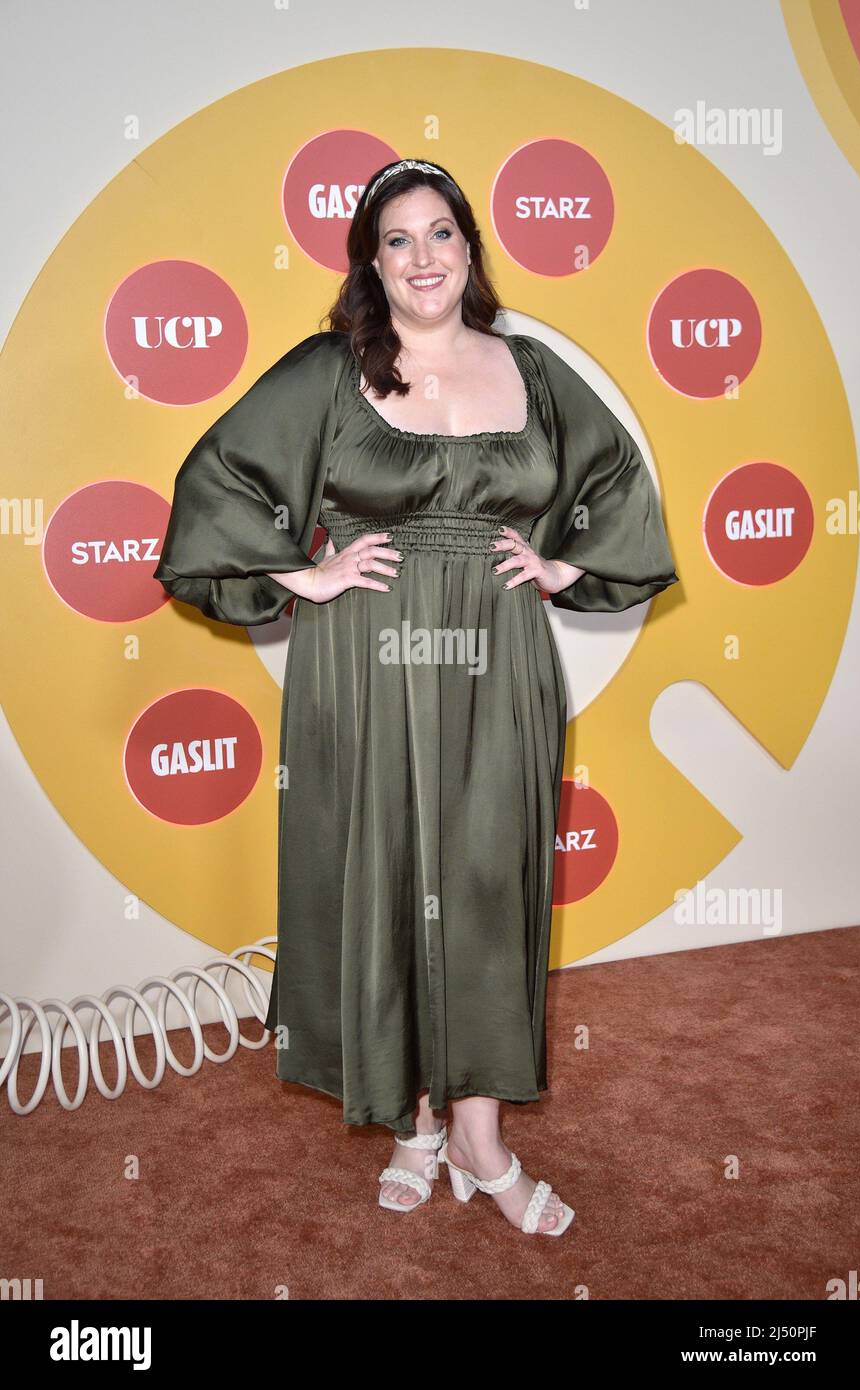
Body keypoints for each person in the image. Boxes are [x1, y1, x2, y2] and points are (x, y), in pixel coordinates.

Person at [154, 157, 678, 1236]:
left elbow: (617, 479)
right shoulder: (329, 370)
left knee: (486, 880)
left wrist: (562, 566)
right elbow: (216, 478)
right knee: (384, 874)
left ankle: (482, 1139)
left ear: (470, 248)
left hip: (497, 654)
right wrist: (306, 573)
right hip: (366, 655)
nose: (422, 257)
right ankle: (414, 1122)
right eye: (396, 240)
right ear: (370, 263)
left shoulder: (529, 370)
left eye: (440, 233)